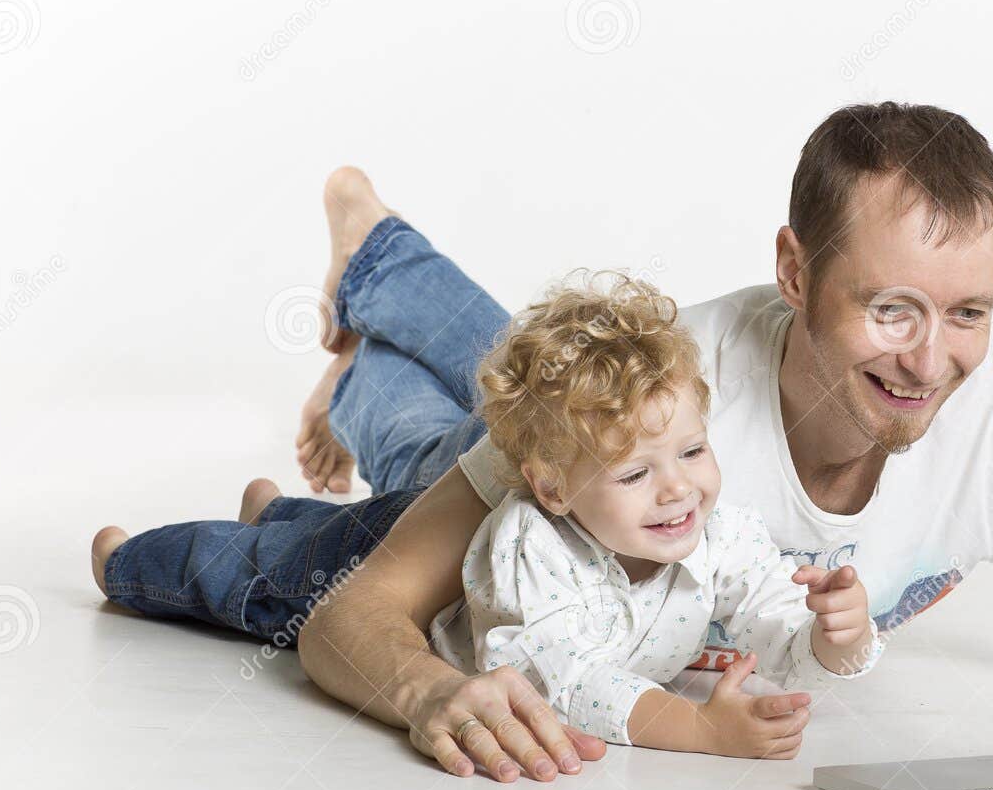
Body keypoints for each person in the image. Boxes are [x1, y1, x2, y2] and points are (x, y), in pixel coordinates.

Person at [94, 101, 993, 784]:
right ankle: (370, 301)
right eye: (890, 308)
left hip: (565, 457)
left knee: (508, 387)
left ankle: (365, 327)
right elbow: (354, 613)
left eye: (968, 312)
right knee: (432, 465)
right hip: (542, 501)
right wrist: (434, 692)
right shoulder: (665, 399)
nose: (931, 360)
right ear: (796, 271)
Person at [92, 273, 881, 760]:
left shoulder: (718, 531)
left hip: (399, 520)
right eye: (636, 472)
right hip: (377, 585)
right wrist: (700, 729)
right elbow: (565, 681)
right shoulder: (533, 547)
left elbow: (773, 622)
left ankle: (277, 507)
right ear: (553, 488)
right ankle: (127, 560)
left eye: (693, 450)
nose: (679, 489)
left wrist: (831, 637)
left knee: (308, 531)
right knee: (261, 572)